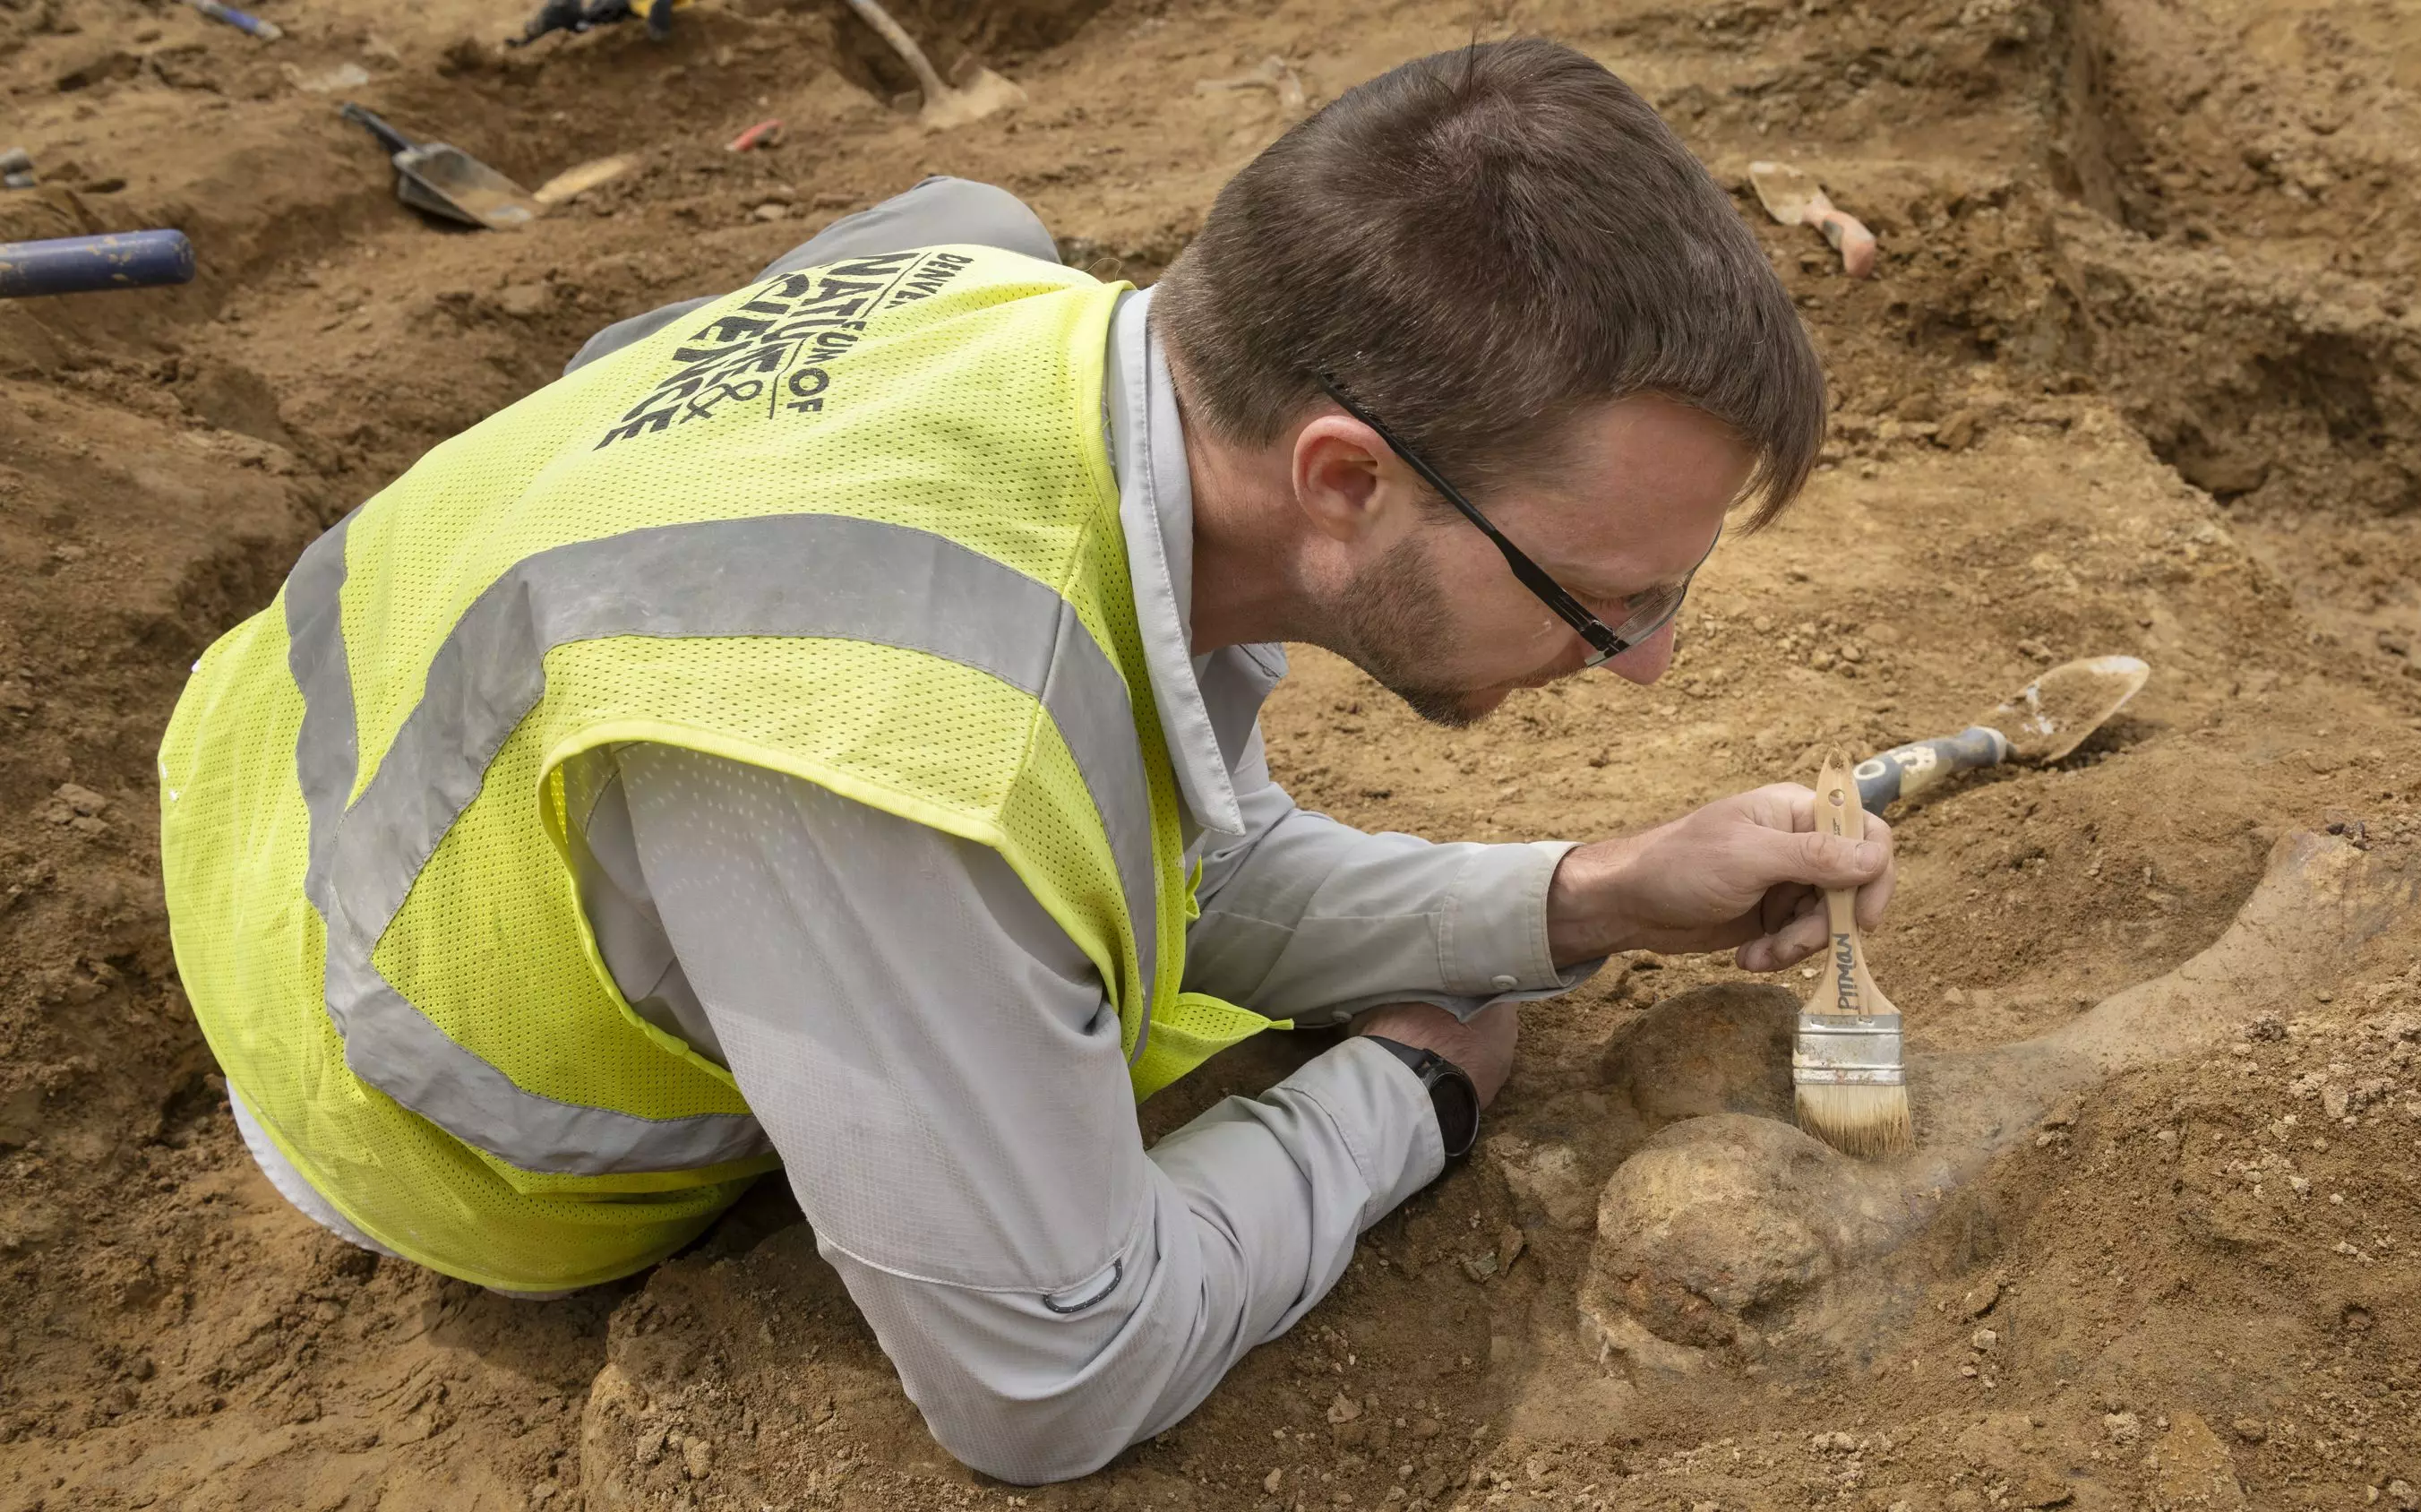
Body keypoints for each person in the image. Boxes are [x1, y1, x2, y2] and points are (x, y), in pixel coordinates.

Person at [158, 39, 1894, 1483]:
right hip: (378, 1069)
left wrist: (1589, 896)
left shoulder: (987, 280)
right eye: (1603, 599)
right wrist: (1413, 1092)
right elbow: (1052, 1374)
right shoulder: (889, 742)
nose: (1651, 662)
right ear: (1345, 484)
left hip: (308, 736)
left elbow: (1174, 864)